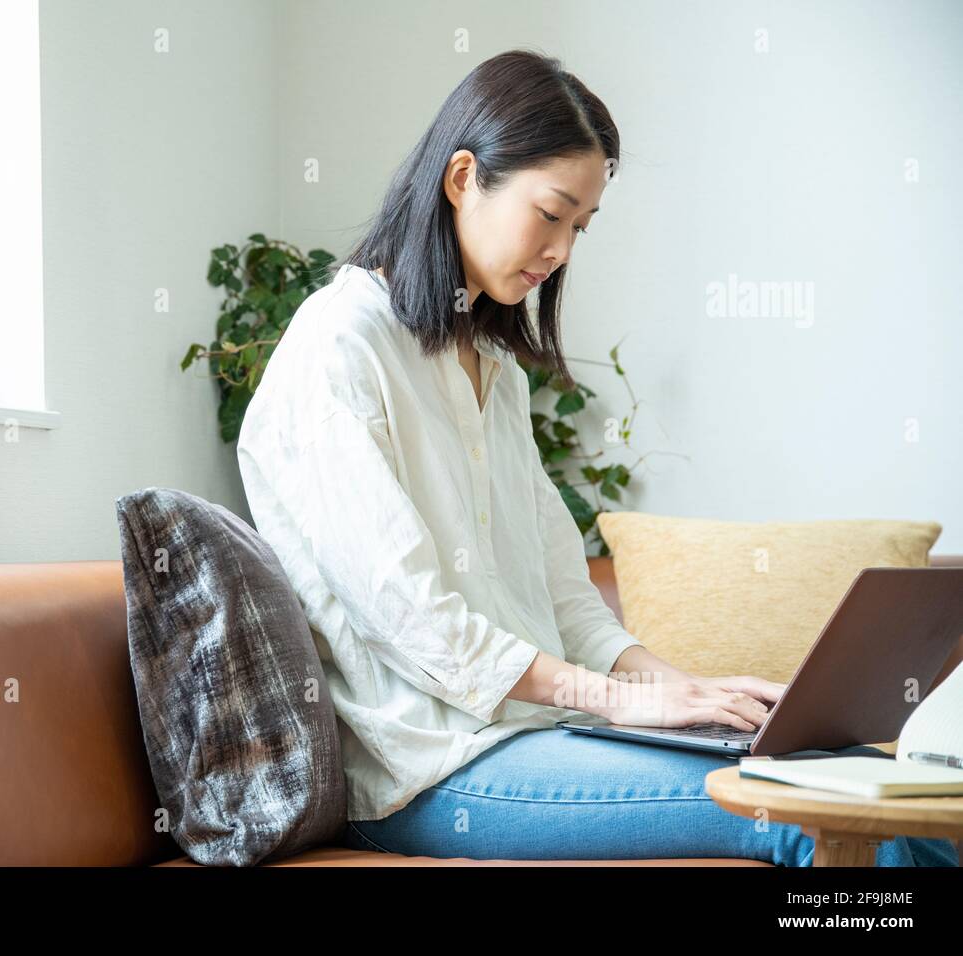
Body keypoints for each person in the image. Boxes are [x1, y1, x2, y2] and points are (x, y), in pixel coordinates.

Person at [235, 49, 957, 866]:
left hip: (535, 737)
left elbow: (566, 602)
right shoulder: (337, 347)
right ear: (462, 177)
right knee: (816, 814)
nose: (563, 251)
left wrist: (680, 690)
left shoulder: (492, 369)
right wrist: (616, 700)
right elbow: (420, 626)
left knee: (870, 784)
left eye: (580, 226)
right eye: (552, 213)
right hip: (433, 770)